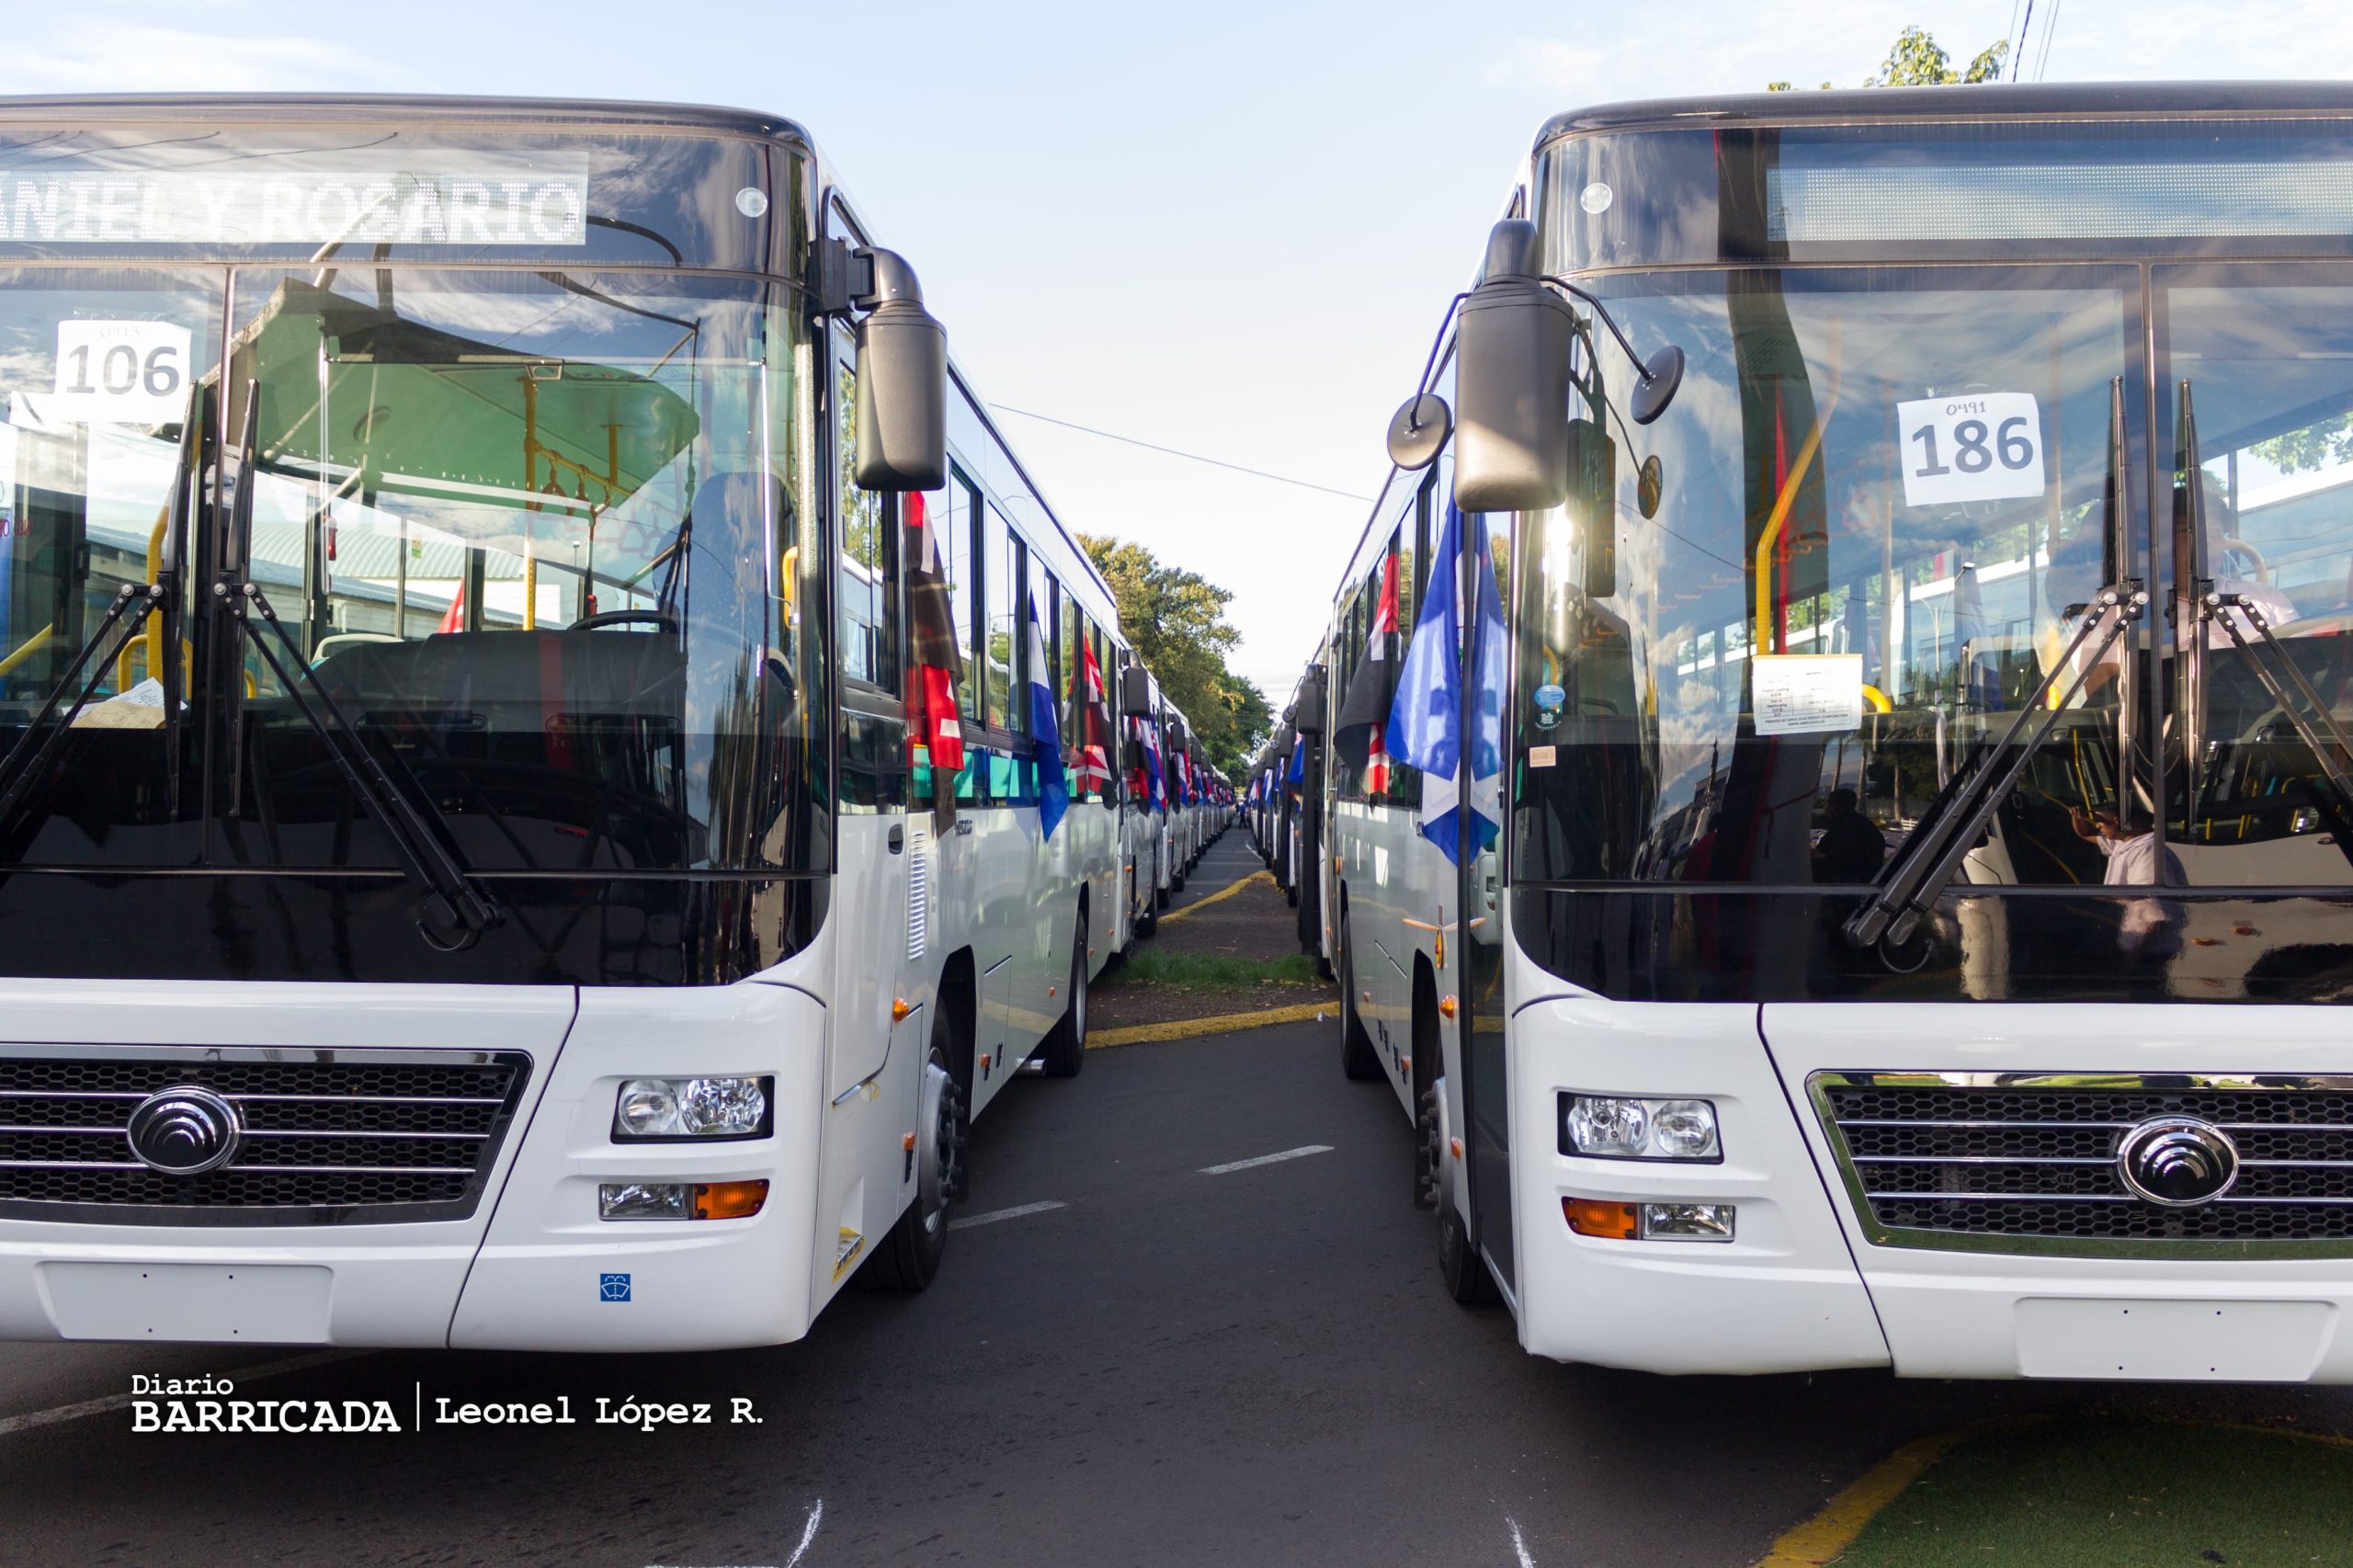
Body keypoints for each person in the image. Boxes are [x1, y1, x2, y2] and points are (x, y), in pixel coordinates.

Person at [2069, 804, 2187, 960]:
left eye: (2099, 821)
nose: (2096, 826)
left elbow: (2153, 913)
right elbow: (2084, 834)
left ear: (2117, 821)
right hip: (2132, 941)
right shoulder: (2122, 844)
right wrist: (2077, 818)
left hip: (2149, 951)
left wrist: (2132, 959)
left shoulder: (2147, 854)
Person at [1813, 788, 1886, 883]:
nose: (1825, 807)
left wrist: (1820, 857)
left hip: (1852, 884)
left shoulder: (1847, 827)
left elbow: (1845, 859)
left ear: (1835, 806)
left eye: (1827, 803)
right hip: (1868, 880)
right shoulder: (1859, 823)